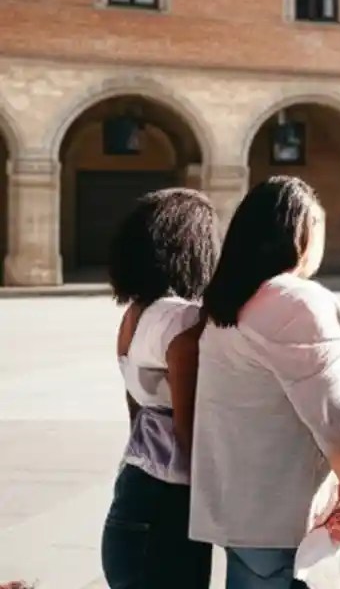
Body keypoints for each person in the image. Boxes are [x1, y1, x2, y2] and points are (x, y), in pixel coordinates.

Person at [191, 176, 340, 589]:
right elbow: (337, 422)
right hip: (286, 524)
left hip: (237, 515)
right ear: (303, 233)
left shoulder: (229, 303)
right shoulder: (298, 302)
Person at [100, 188, 219, 589]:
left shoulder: (134, 313)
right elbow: (188, 433)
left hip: (132, 493)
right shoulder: (183, 320)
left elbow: (136, 410)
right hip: (167, 509)